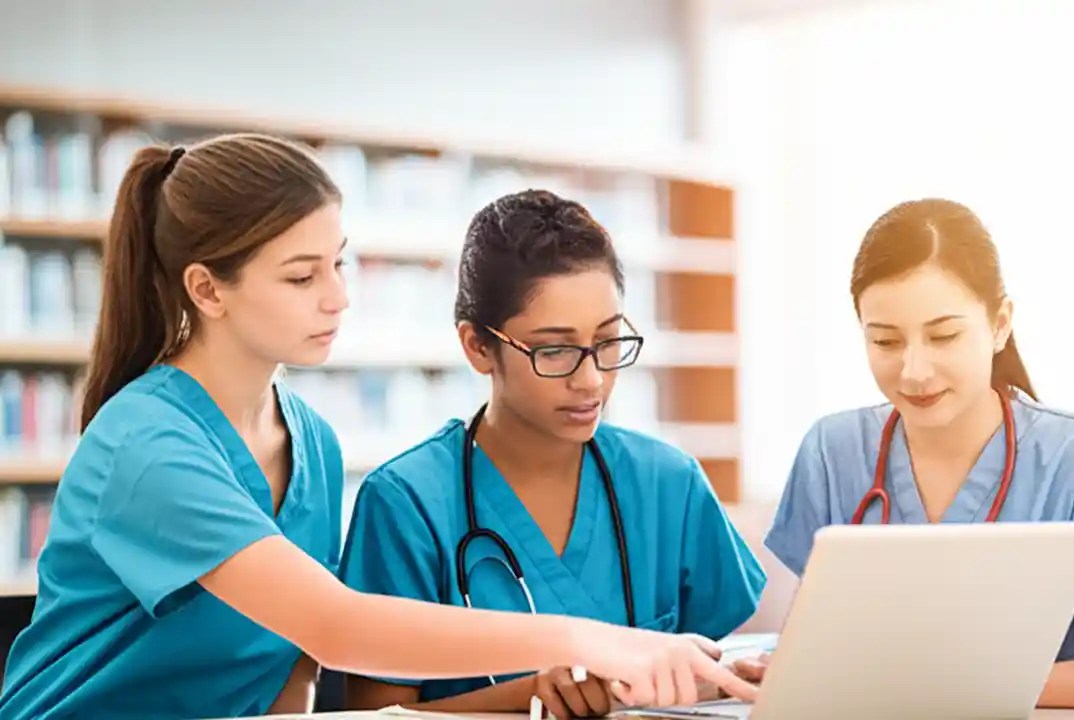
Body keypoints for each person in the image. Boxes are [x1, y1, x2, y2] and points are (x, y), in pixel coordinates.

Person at [0, 136, 757, 720]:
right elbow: (333, 628)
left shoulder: (313, 443)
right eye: (302, 276)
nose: (337, 298)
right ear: (207, 289)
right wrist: (586, 637)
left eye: (340, 264)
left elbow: (290, 675)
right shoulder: (148, 444)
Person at [738, 198, 1074, 710]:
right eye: (886, 341)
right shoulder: (832, 451)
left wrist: (938, 686)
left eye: (944, 336)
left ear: (1000, 323)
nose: (914, 371)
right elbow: (827, 651)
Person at [338, 189, 767, 718]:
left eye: (608, 342)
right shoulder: (407, 503)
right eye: (555, 351)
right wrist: (534, 696)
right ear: (477, 346)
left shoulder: (667, 482)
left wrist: (736, 678)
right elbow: (372, 712)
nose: (591, 381)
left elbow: (713, 667)